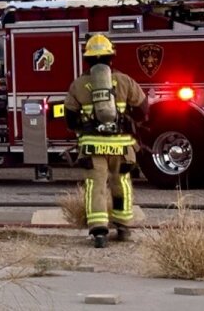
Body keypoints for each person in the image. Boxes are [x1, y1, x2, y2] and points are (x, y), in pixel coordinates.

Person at [65, 34, 149, 248]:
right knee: (121, 184)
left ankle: (99, 231)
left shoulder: (78, 84)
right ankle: (123, 227)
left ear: (87, 60)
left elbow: (70, 119)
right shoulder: (125, 81)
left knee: (96, 186)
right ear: (111, 58)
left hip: (93, 148)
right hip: (121, 148)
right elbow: (142, 111)